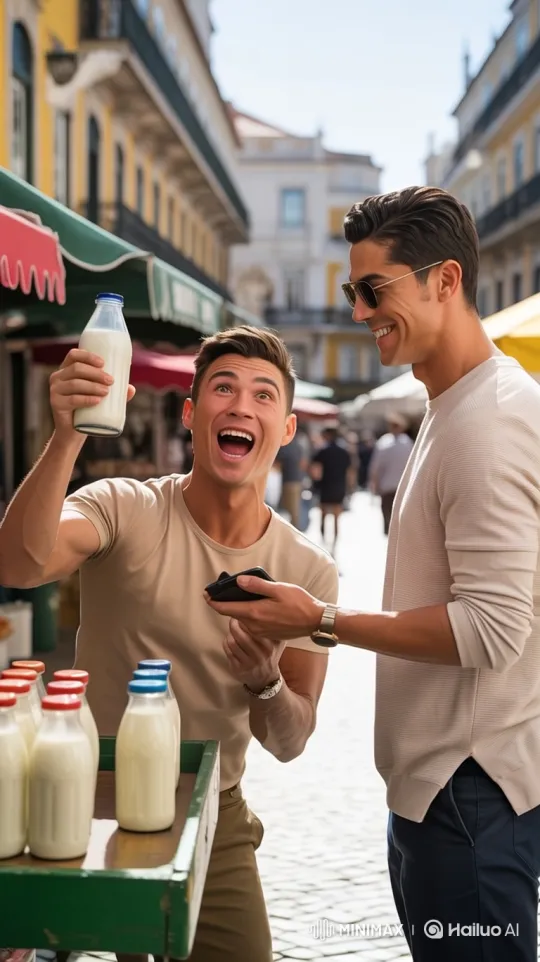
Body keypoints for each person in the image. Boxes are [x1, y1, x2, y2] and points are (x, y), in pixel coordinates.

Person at [204, 187, 540, 962]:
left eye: (373, 289)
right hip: (450, 799)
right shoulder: (454, 408)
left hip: (470, 801)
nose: (359, 310)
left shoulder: (489, 420)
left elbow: (491, 630)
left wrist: (315, 620)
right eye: (353, 291)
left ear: (445, 281)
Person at [0, 325, 338, 962]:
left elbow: (291, 742)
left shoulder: (308, 571)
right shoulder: (123, 508)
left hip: (217, 809)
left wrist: (265, 679)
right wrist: (68, 433)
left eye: (265, 395)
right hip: (91, 791)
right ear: (191, 414)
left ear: (287, 429)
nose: (242, 405)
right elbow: (18, 565)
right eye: (223, 388)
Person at [368, 413, 413, 534]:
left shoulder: (384, 442)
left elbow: (375, 467)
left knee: (388, 514)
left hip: (387, 485)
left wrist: (375, 484)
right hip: (401, 485)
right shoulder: (407, 442)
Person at [311, 427, 352, 550]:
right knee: (336, 516)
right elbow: (350, 471)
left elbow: (316, 469)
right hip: (339, 486)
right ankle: (334, 542)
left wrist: (315, 485)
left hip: (325, 485)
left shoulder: (322, 451)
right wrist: (350, 488)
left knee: (323, 514)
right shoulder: (344, 452)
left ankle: (323, 540)